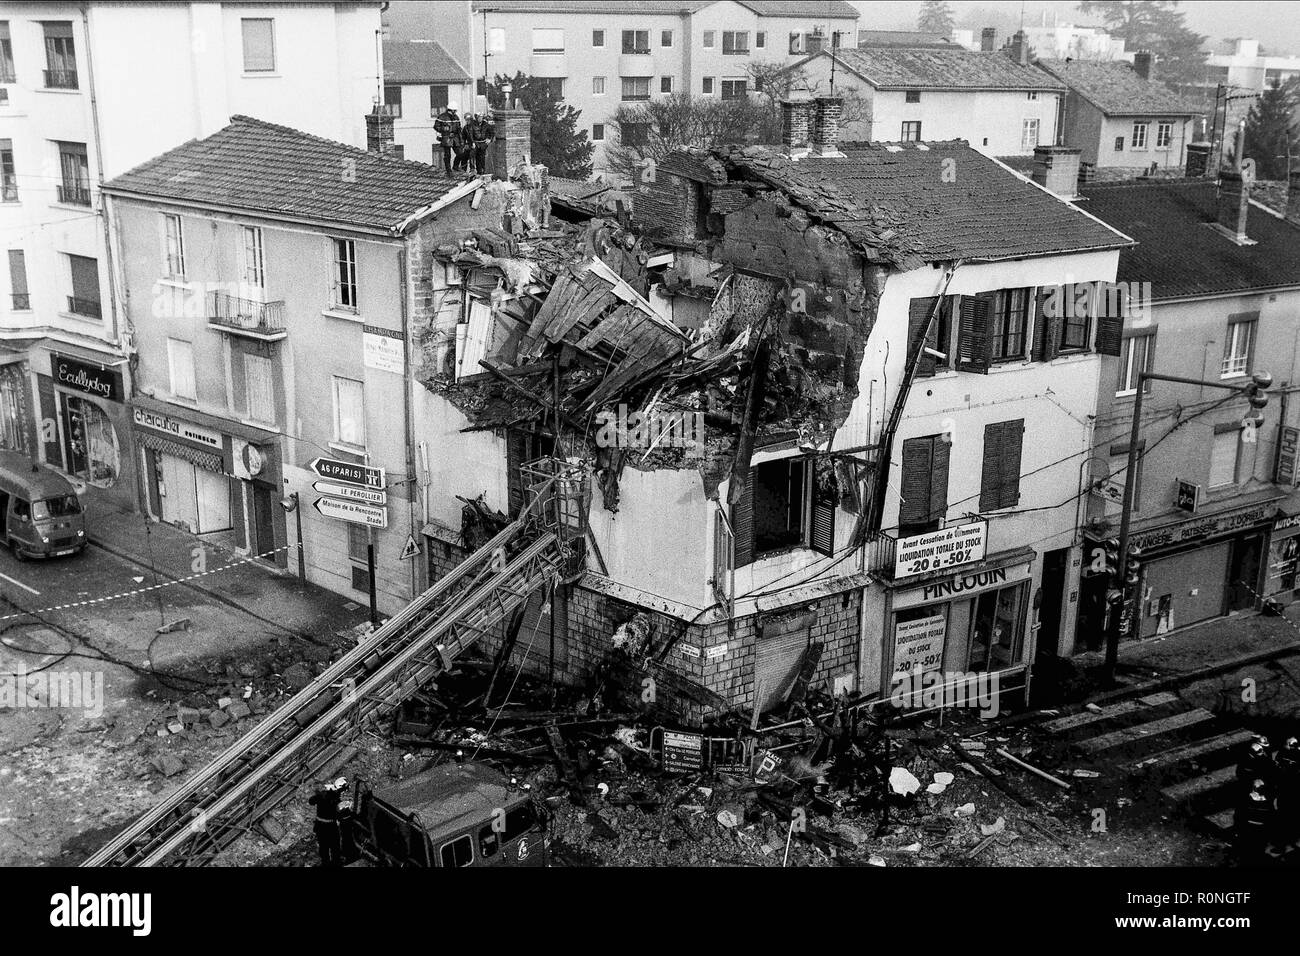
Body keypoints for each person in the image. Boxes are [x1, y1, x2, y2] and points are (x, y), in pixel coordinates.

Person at [309, 777, 348, 867]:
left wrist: (318, 795)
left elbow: (311, 801)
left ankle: (326, 863)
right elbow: (338, 815)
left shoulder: (324, 794)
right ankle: (336, 863)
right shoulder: (335, 799)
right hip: (330, 826)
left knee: (324, 847)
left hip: (320, 825)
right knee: (335, 847)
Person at [432, 103, 462, 176]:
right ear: (450, 110)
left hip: (455, 137)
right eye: (454, 111)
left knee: (460, 153)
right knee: (447, 155)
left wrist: (460, 138)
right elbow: (436, 126)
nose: (455, 112)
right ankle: (449, 171)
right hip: (446, 137)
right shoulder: (442, 117)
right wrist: (444, 129)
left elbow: (459, 127)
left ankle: (455, 167)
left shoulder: (456, 117)